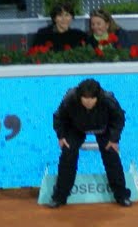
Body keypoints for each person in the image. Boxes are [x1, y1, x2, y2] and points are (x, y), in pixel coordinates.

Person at [50, 78, 132, 208]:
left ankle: (122, 195)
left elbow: (118, 118)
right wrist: (61, 136)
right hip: (76, 128)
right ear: (79, 97)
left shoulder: (108, 99)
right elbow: (59, 117)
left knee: (111, 154)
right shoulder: (70, 98)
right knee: (68, 153)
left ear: (98, 97)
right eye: (85, 98)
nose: (88, 102)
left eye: (92, 99)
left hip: (103, 127)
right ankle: (59, 197)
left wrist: (114, 139)